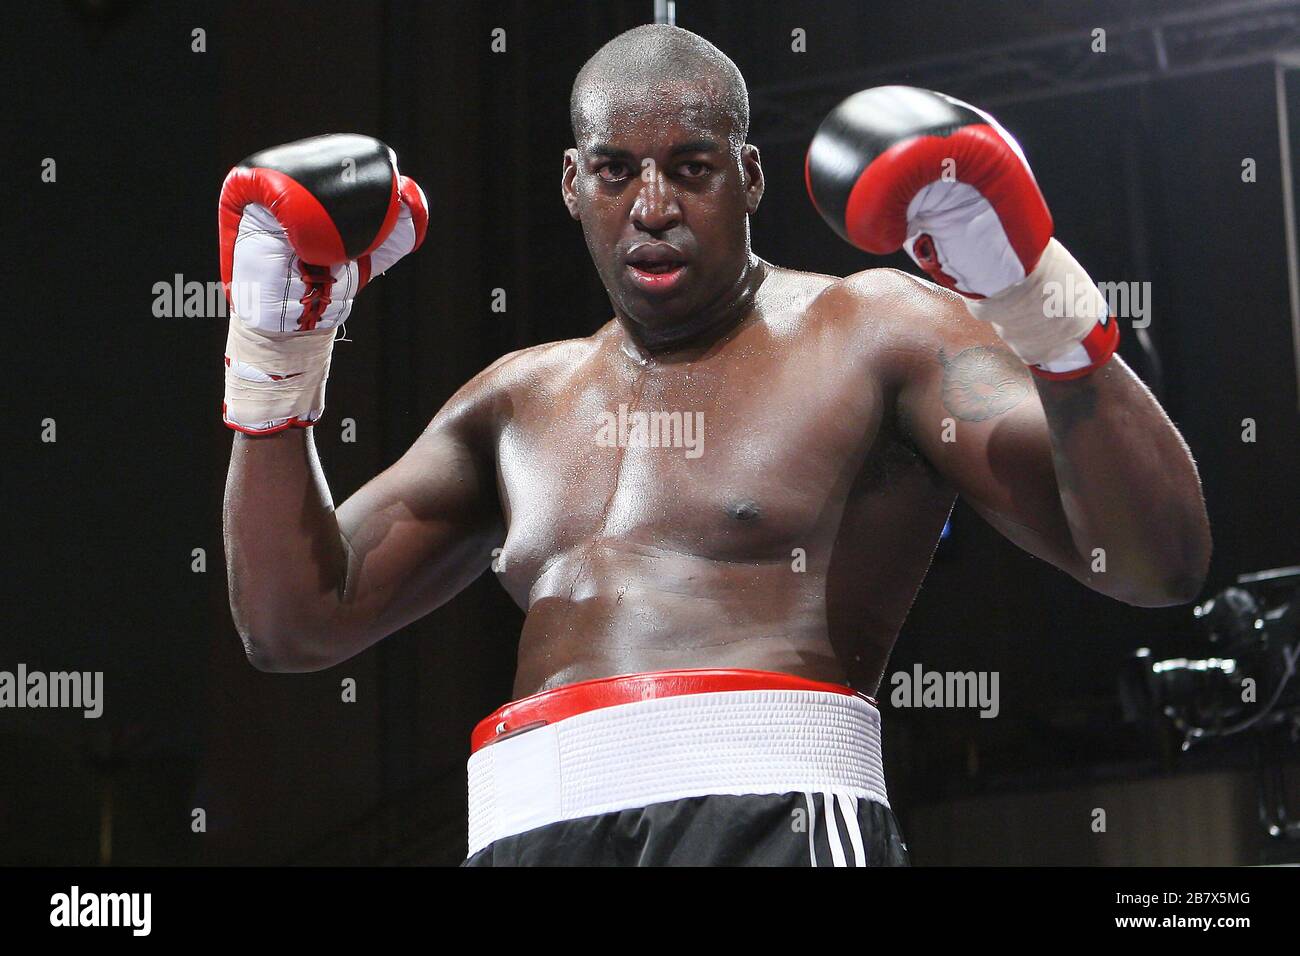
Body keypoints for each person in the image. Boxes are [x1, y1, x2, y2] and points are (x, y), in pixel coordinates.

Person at [220, 25, 1211, 866]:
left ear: (747, 175)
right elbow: (292, 623)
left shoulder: (877, 330)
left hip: (766, 811)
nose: (652, 206)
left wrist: (1033, 293)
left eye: (690, 167)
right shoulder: (514, 400)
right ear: (573, 182)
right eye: (616, 170)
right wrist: (276, 346)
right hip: (524, 822)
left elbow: (1156, 561)